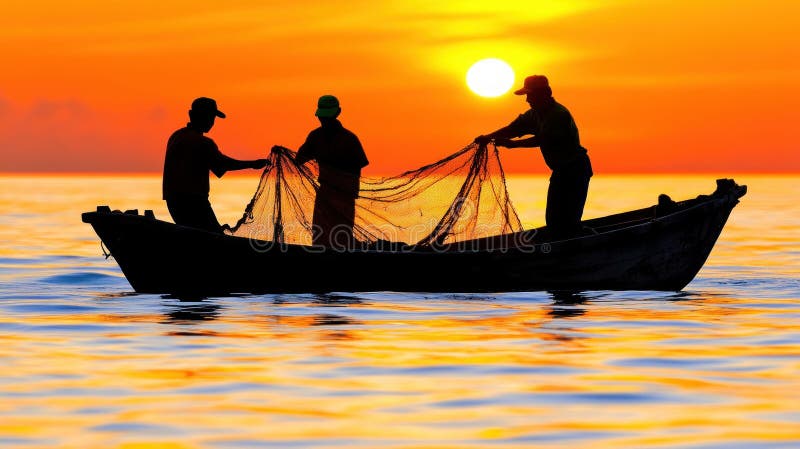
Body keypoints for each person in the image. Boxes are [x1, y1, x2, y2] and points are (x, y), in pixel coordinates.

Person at [475, 75, 593, 240]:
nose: (527, 100)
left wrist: (513, 145)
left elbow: (543, 139)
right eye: (527, 95)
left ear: (545, 93)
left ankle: (591, 240)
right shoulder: (534, 114)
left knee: (569, 222)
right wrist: (488, 137)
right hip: (560, 172)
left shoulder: (558, 114)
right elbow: (513, 129)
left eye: (531, 95)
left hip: (576, 170)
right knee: (554, 222)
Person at [162, 97, 269, 233]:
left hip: (173, 203)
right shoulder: (203, 143)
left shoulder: (176, 136)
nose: (211, 122)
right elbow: (223, 164)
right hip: (194, 203)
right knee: (214, 236)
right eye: (208, 117)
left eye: (212, 118)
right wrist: (252, 164)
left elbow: (219, 164)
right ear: (192, 115)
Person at [295, 95, 369, 248]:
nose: (324, 121)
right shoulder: (316, 137)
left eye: (326, 117)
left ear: (338, 113)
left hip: (344, 198)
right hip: (326, 196)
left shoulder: (349, 139)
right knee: (322, 238)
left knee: (341, 238)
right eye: (323, 117)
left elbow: (357, 167)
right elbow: (299, 159)